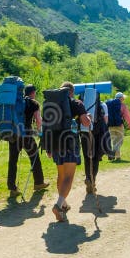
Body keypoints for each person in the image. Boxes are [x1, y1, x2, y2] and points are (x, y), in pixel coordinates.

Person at [47, 81, 91, 221]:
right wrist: (88, 117)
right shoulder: (77, 103)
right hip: (70, 143)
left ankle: (64, 204)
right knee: (69, 176)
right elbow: (86, 123)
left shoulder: (51, 103)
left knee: (61, 175)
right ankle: (58, 205)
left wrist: (48, 146)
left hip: (54, 142)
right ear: (71, 91)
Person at [7, 85, 48, 197]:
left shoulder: (16, 103)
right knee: (35, 158)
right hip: (27, 135)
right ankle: (39, 183)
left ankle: (12, 188)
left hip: (14, 134)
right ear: (33, 92)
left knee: (12, 161)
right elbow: (39, 121)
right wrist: (40, 133)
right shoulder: (34, 103)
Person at [79, 93, 110, 194]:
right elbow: (105, 121)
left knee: (87, 158)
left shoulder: (81, 105)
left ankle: (88, 177)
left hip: (84, 134)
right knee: (96, 158)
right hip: (97, 134)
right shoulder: (103, 105)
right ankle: (92, 181)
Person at [106, 92, 130, 161]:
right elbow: (127, 116)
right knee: (120, 141)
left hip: (110, 125)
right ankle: (115, 154)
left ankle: (116, 156)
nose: (123, 99)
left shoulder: (109, 104)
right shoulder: (122, 105)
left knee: (114, 141)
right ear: (121, 98)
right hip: (119, 125)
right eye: (123, 98)